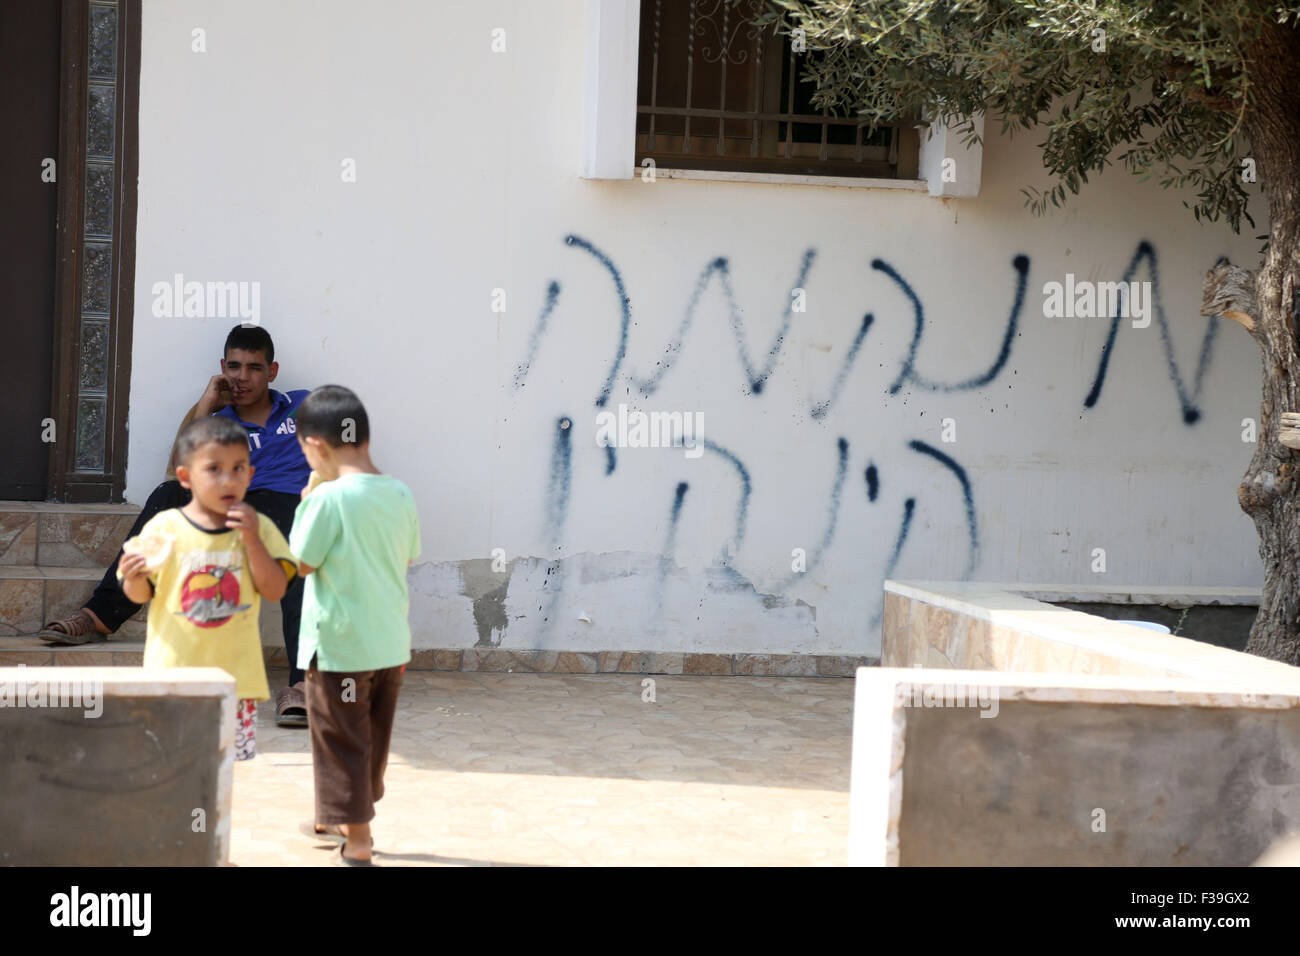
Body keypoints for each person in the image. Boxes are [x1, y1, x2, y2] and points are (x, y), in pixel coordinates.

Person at [40, 325, 316, 727]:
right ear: (222, 368)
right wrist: (206, 402)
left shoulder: (302, 405)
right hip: (231, 507)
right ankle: (100, 614)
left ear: (272, 371)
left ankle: (303, 684)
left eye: (254, 368)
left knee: (305, 546)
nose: (242, 377)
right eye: (234, 367)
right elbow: (179, 469)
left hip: (291, 504)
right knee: (167, 495)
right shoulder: (217, 421)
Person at [290, 385, 420, 866]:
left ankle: (359, 840)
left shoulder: (328, 500)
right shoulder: (400, 493)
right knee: (370, 735)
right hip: (390, 645)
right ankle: (331, 817)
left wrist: (307, 499)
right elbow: (406, 554)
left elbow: (301, 563)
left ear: (316, 446)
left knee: (341, 739)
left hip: (340, 646)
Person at [117, 416, 296, 760]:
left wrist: (253, 542)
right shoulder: (164, 527)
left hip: (236, 685)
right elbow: (139, 596)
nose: (228, 479)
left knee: (227, 774)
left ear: (251, 475)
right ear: (185, 476)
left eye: (238, 468)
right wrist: (134, 576)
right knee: (169, 770)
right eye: (214, 469)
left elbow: (274, 591)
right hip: (170, 680)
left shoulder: (260, 529)